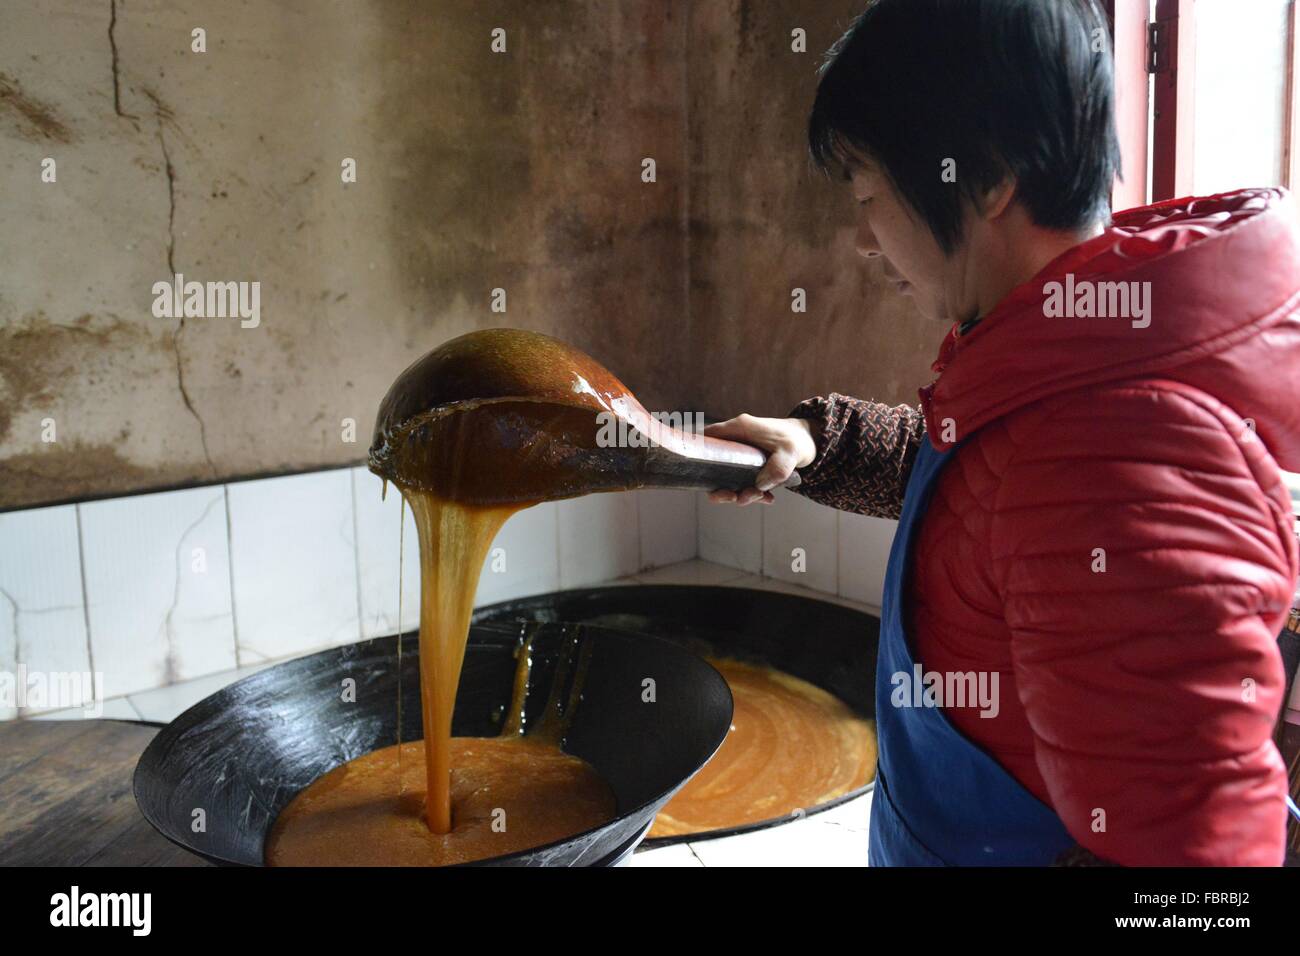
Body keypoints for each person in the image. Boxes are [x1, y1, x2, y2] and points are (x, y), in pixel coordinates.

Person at [705, 0, 1300, 865]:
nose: (865, 240)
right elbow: (983, 482)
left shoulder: (1113, 448)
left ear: (986, 177)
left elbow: (1193, 872)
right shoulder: (1062, 364)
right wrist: (818, 444)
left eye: (871, 194)